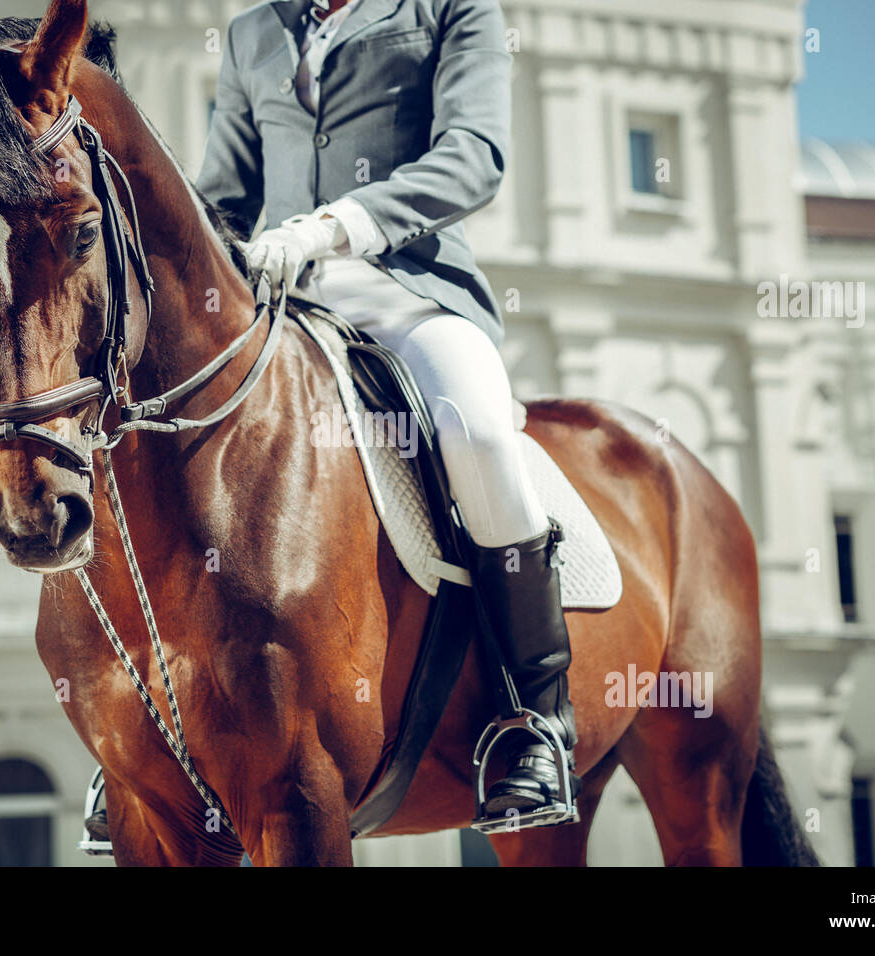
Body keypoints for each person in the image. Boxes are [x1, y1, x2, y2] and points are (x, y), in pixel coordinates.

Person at [196, 0, 574, 816]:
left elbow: (475, 155)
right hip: (279, 298)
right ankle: (153, 719)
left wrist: (334, 227)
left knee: (477, 435)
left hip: (409, 290)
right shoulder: (252, 33)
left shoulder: (451, 10)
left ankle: (536, 718)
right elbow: (222, 193)